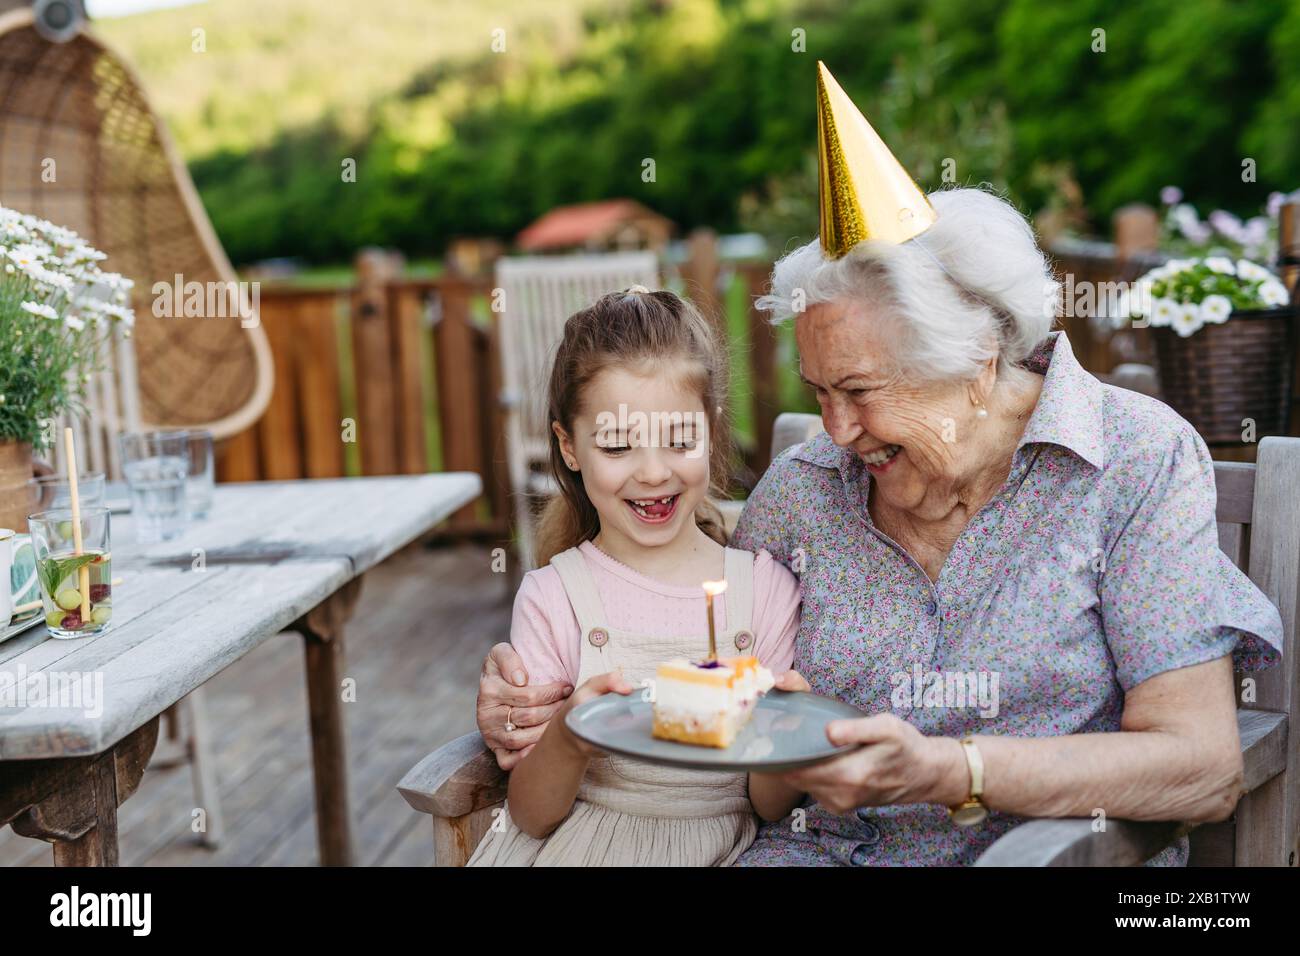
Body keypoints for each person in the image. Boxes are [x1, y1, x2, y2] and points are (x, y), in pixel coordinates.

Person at [467, 287, 800, 866]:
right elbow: (532, 813)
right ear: (569, 447)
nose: (652, 472)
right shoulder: (556, 597)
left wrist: (788, 734)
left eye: (679, 440)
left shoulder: (764, 591)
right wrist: (569, 733)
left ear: (712, 429)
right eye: (617, 445)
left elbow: (769, 805)